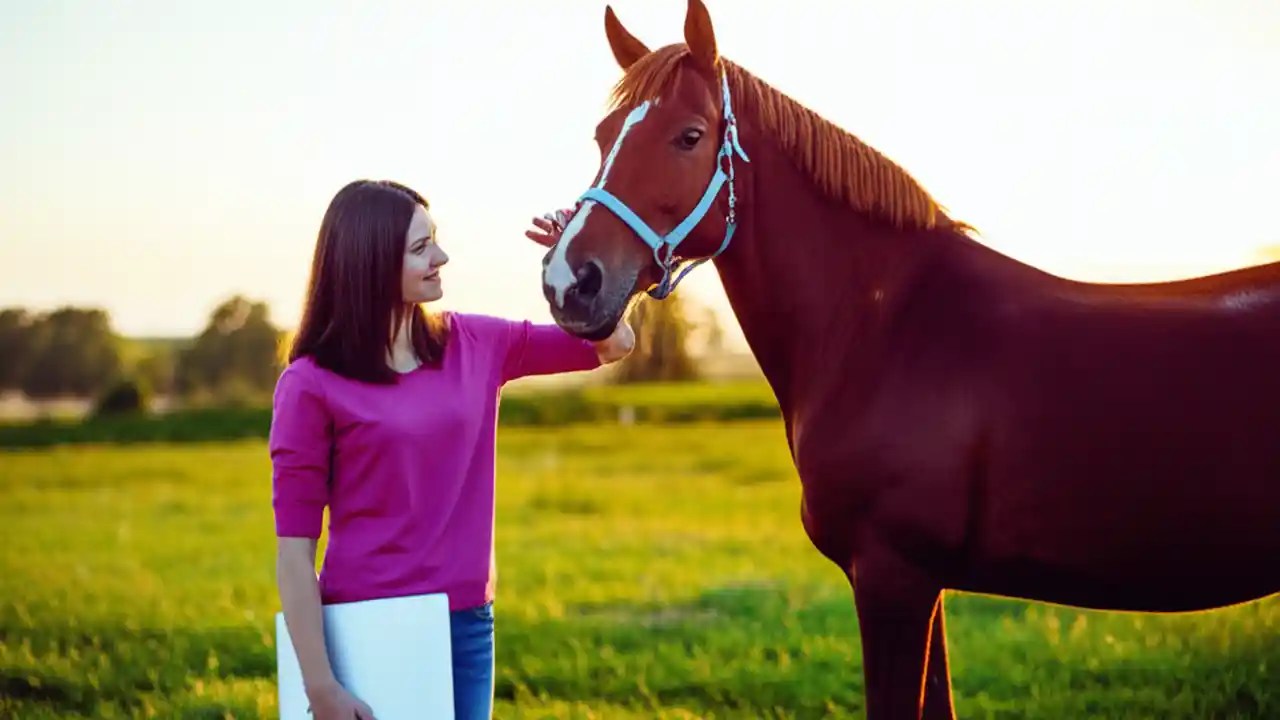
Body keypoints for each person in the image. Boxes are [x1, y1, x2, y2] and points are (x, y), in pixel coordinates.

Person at [270, 179, 632, 720]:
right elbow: (294, 555)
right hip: (367, 628)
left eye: (434, 240)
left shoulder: (478, 343)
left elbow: (614, 344)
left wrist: (574, 262)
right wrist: (320, 687)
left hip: (465, 622)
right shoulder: (309, 384)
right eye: (420, 248)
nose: (441, 257)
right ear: (369, 263)